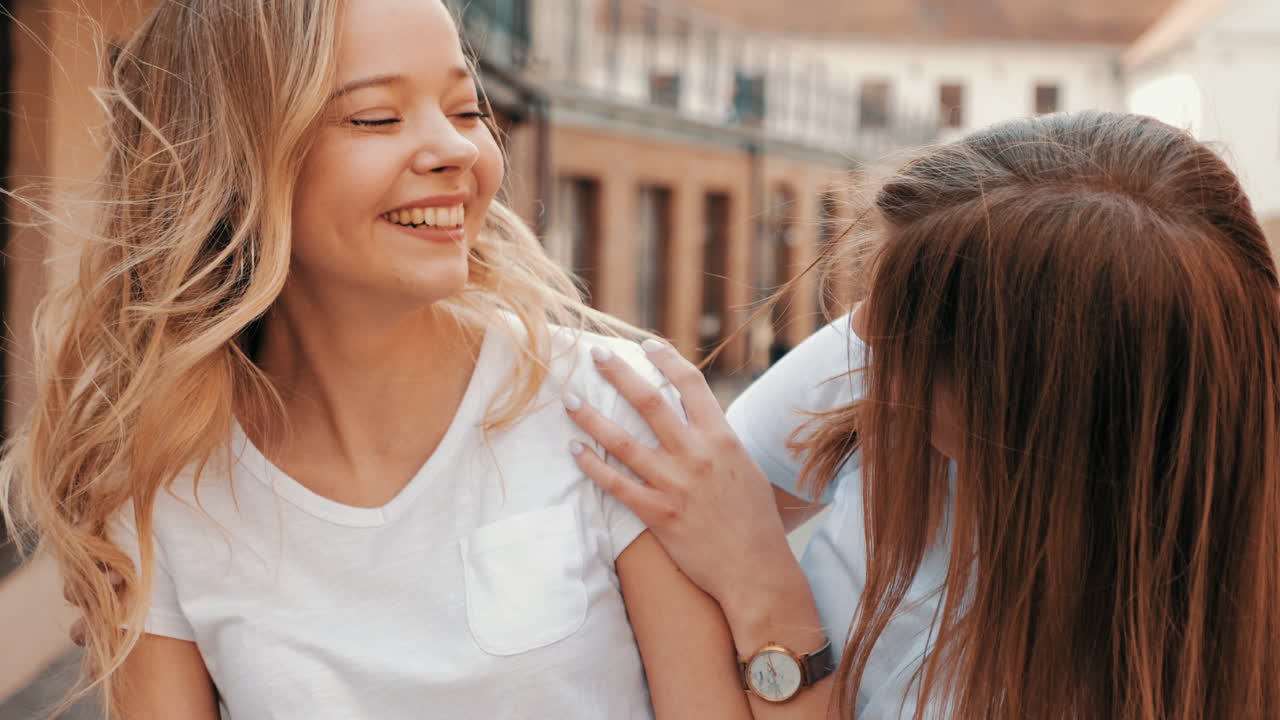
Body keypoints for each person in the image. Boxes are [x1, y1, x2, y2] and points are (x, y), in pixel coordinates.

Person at [0, 1, 755, 718]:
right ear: (229, 169)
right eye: (376, 117)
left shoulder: (613, 407)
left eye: (467, 111)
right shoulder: (161, 490)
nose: (457, 148)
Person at [566, 111, 1280, 719]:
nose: (864, 333)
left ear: (1036, 415)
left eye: (906, 324)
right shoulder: (899, 336)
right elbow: (671, 510)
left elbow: (715, 543)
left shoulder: (1155, 658)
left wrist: (768, 601)